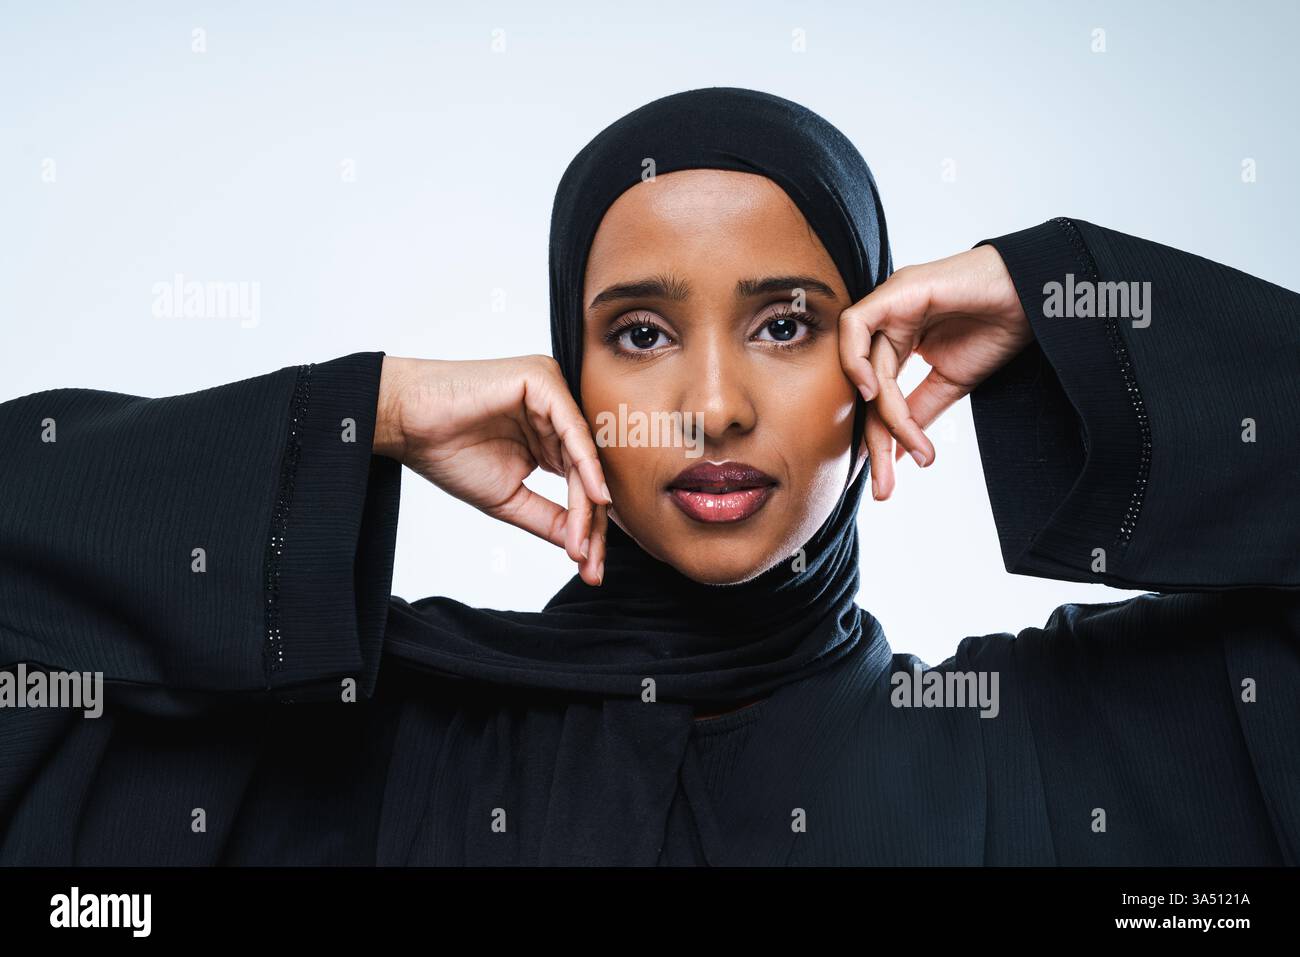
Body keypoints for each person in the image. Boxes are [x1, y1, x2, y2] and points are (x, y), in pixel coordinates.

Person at [0, 87, 1296, 866]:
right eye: (638, 333)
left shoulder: (1054, 752)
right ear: (565, 376)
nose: (715, 405)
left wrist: (1066, 300)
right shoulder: (363, 753)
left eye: (788, 322)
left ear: (880, 353)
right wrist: (367, 412)